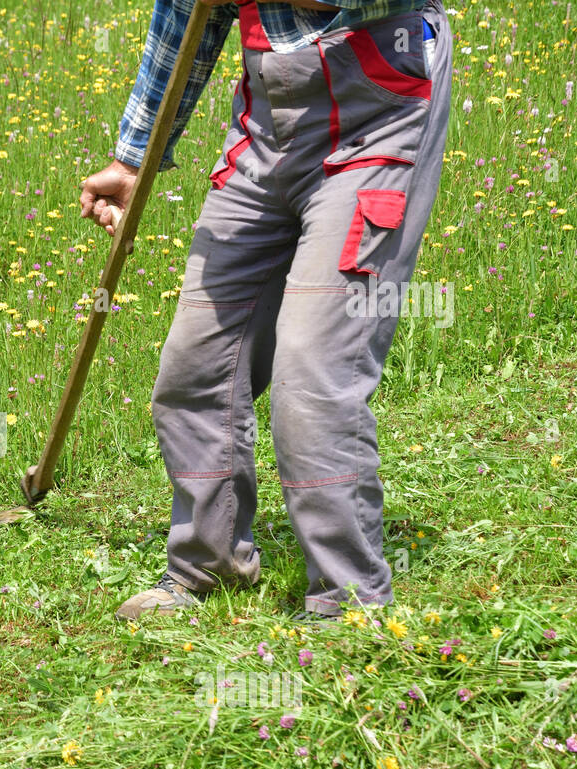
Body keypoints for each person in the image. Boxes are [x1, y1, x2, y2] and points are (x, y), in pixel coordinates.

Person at [78, 0, 451, 622]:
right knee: (196, 364)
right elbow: (184, 23)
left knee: (312, 370)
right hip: (267, 130)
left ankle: (347, 603)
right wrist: (134, 156)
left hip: (382, 110)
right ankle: (206, 563)